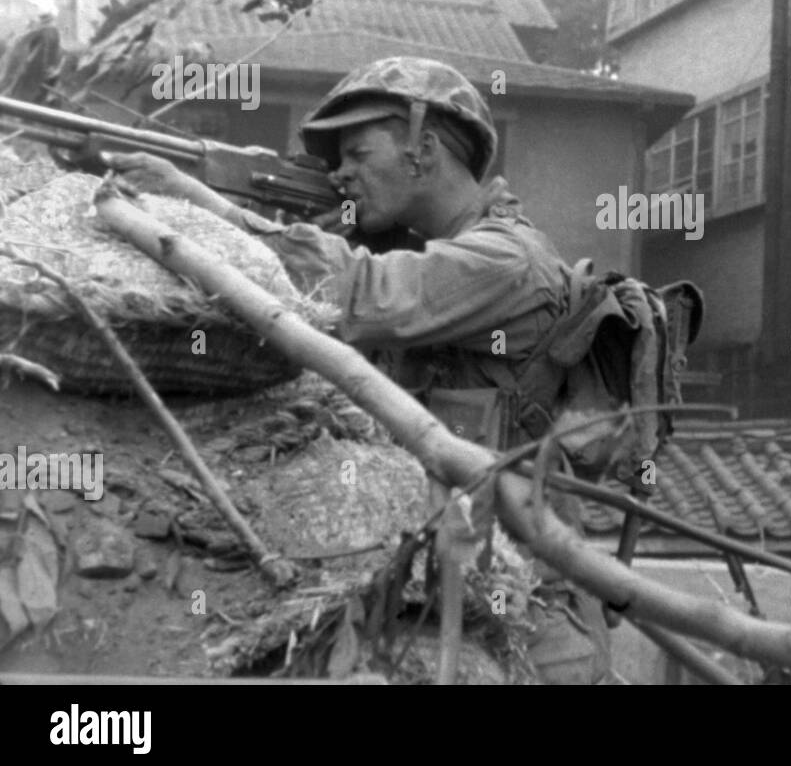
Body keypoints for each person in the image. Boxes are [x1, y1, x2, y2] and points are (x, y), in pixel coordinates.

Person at [105, 56, 608, 684]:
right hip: (450, 586)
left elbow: (353, 291)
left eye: (357, 153)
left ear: (423, 150)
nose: (341, 173)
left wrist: (205, 206)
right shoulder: (421, 247)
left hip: (533, 614)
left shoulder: (508, 260)